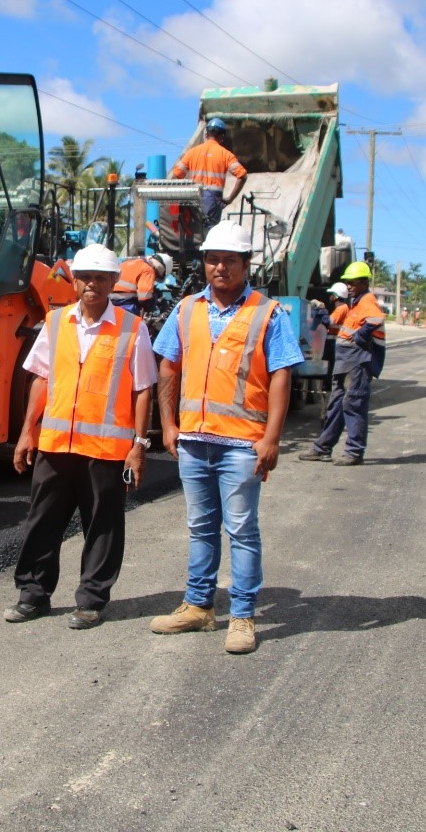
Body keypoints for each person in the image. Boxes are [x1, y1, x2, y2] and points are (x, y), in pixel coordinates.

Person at [149, 220, 303, 654]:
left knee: (240, 529)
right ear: (204, 263)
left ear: (245, 264)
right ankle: (199, 607)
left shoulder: (268, 313)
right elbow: (168, 366)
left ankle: (242, 616)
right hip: (194, 441)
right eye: (213, 259)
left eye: (229, 260)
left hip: (241, 443)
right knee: (200, 527)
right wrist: (169, 425)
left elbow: (281, 376)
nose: (220, 268)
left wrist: (271, 438)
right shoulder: (186, 309)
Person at [6, 243, 157, 630]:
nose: (93, 284)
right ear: (74, 281)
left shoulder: (132, 328)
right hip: (55, 446)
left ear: (112, 283)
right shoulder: (55, 324)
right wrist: (27, 433)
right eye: (86, 277)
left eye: (101, 278)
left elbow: (143, 390)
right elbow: (40, 379)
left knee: (102, 526)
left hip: (106, 450)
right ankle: (33, 595)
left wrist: (138, 448)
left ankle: (91, 600)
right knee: (42, 521)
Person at [299, 261, 386, 466]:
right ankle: (322, 448)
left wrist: (361, 337)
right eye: (347, 282)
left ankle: (354, 452)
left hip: (357, 362)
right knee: (336, 405)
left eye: (353, 282)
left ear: (364, 282)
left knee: (353, 404)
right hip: (345, 362)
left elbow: (376, 319)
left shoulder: (367, 301)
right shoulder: (354, 304)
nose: (349, 285)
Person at [171, 117, 248, 227]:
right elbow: (242, 176)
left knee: (194, 232)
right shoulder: (226, 155)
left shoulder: (192, 152)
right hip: (213, 200)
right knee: (209, 232)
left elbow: (176, 175)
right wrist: (230, 199)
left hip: (193, 197)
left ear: (206, 133)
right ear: (222, 136)